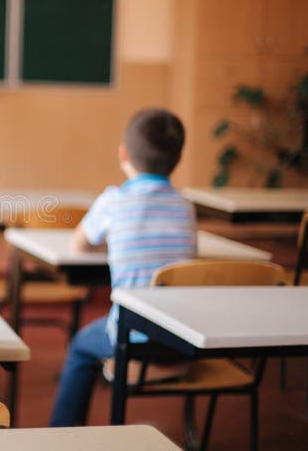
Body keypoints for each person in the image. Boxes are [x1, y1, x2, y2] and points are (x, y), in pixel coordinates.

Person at [50, 108, 197, 427]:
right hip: (183, 338)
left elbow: (80, 245)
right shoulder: (186, 207)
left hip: (131, 340)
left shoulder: (114, 201)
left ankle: (60, 435)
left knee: (80, 345)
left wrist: (113, 241)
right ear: (177, 159)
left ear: (123, 153)